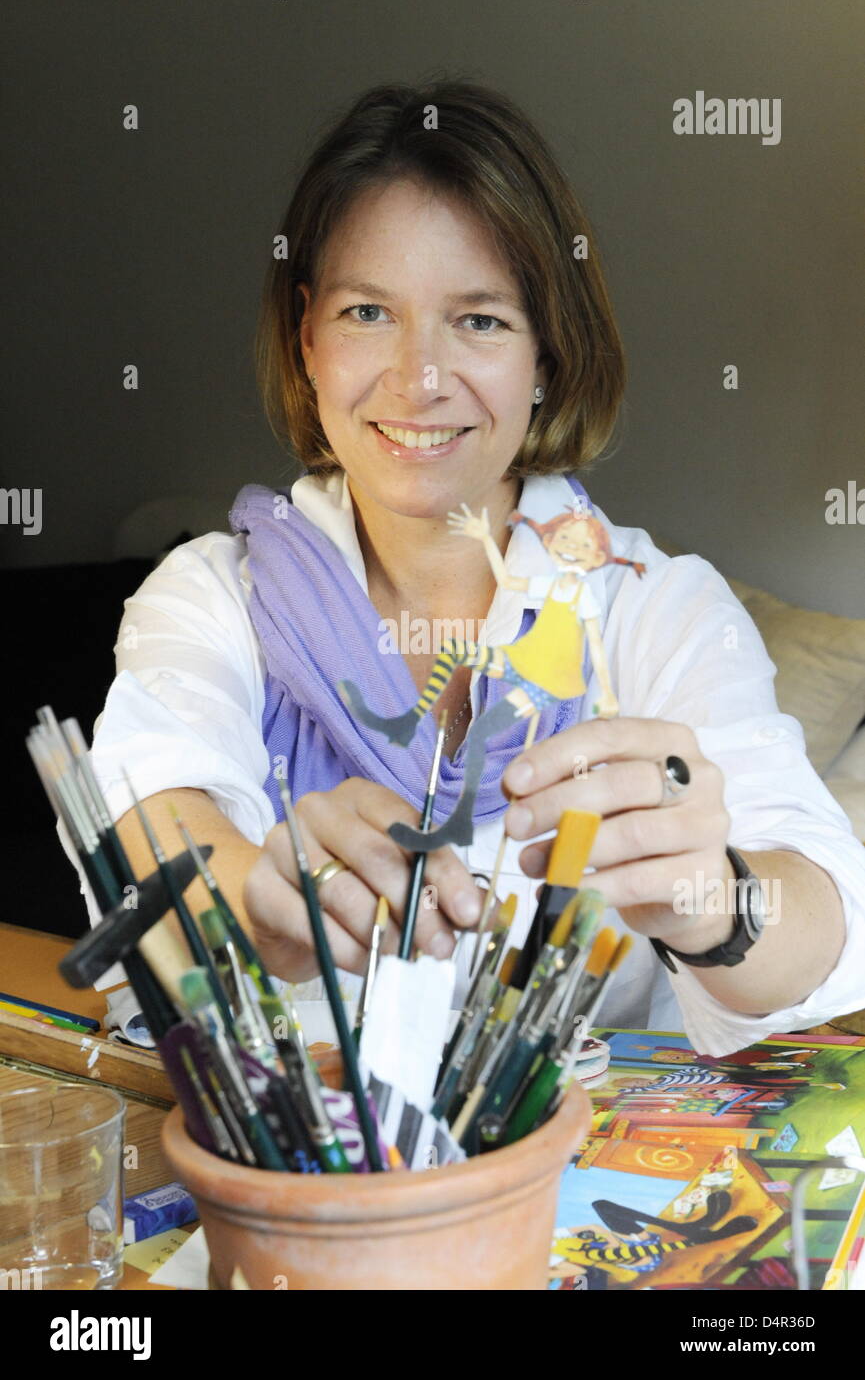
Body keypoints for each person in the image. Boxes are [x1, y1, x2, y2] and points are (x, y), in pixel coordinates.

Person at [71, 78, 865, 1056]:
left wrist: (716, 899)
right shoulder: (209, 594)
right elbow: (157, 822)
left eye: (479, 320)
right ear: (305, 336)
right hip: (296, 1190)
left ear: (546, 359)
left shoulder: (659, 612)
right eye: (369, 312)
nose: (420, 378)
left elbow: (825, 930)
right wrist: (261, 898)